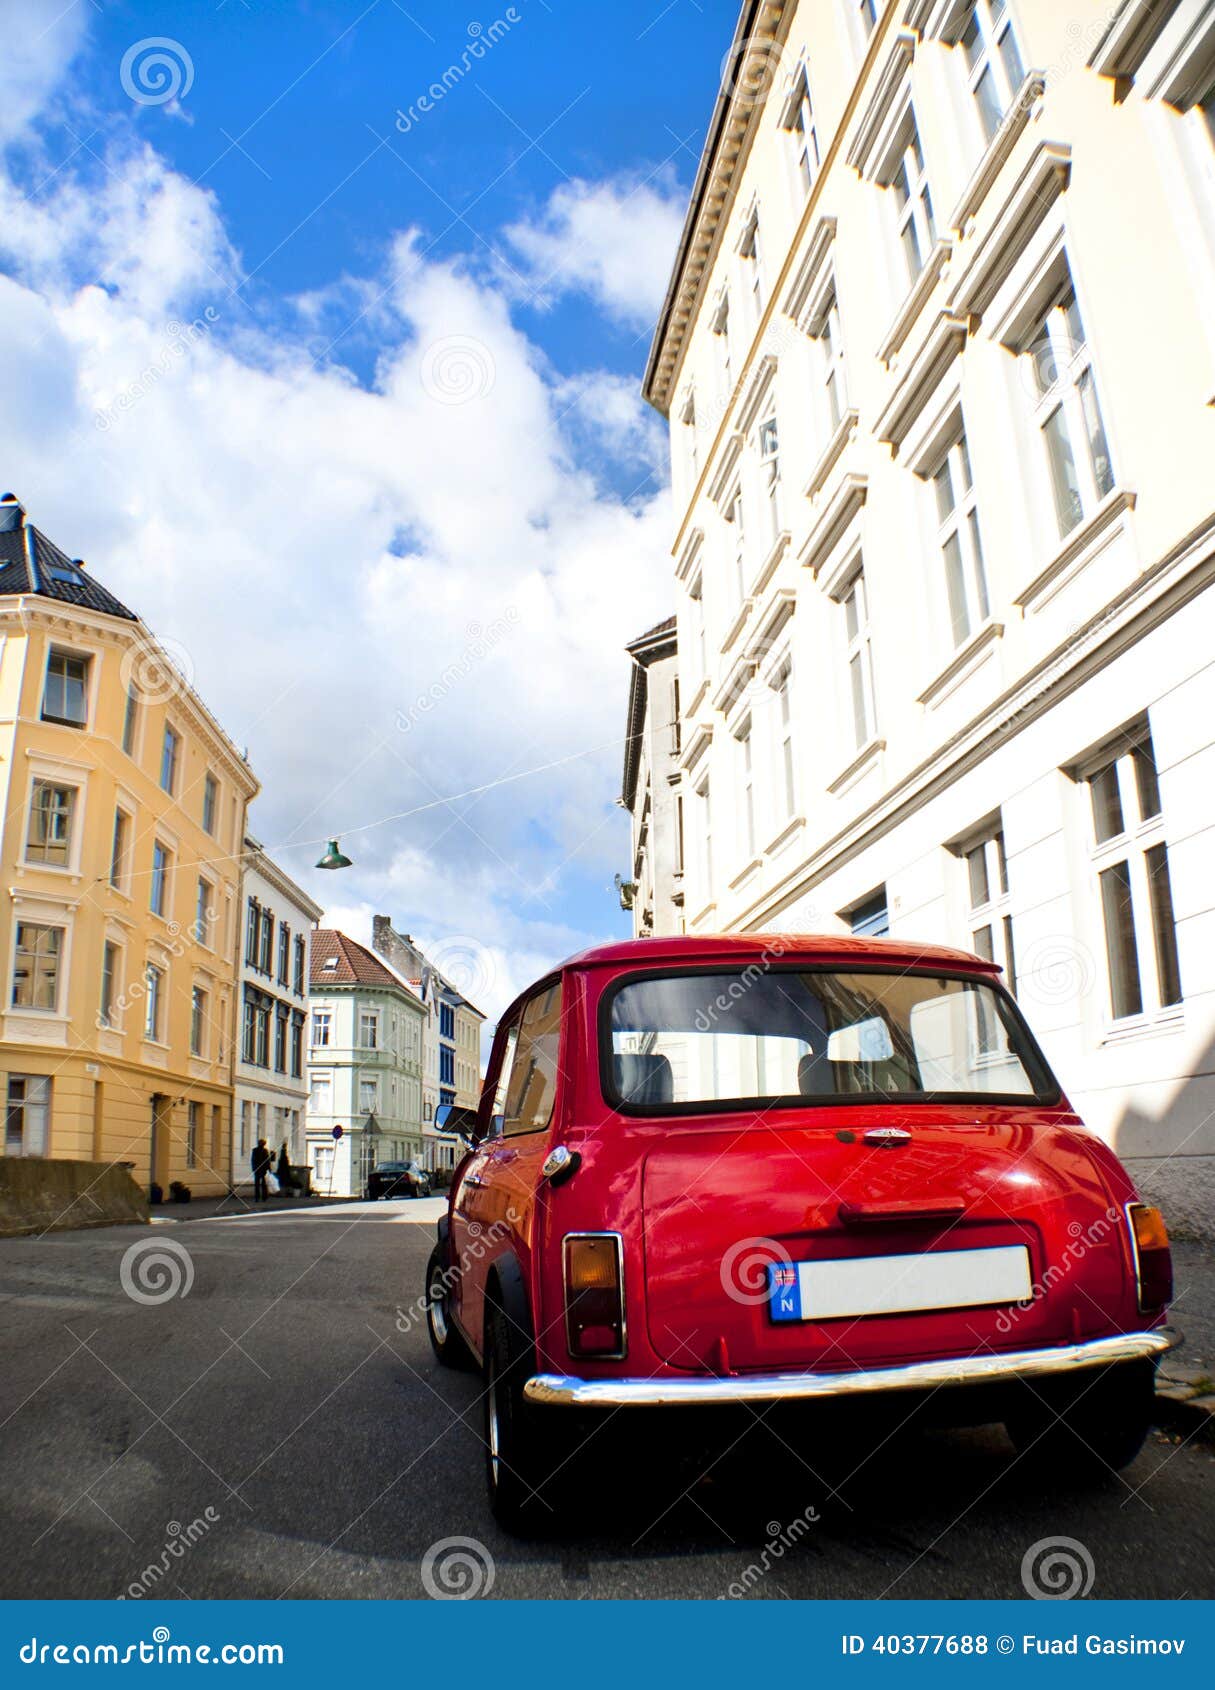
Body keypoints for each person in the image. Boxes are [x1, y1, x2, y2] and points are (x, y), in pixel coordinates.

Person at [251, 1137, 272, 1202]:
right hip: (263, 1169)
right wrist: (269, 1168)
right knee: (263, 1184)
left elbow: (253, 1160)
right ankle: (264, 1197)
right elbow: (267, 1161)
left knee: (257, 1184)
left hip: (257, 1169)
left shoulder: (255, 1150)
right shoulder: (265, 1151)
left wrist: (254, 1168)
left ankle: (257, 1197)